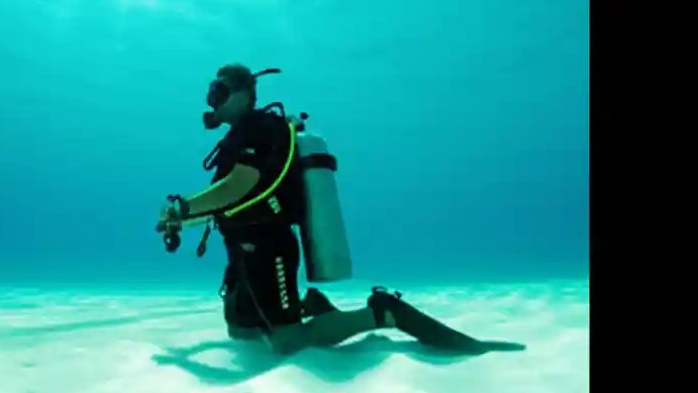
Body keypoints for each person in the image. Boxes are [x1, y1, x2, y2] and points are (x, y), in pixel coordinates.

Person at [156, 64, 523, 356]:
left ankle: (382, 313)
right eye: (210, 92)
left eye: (218, 92)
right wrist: (182, 219)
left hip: (268, 248)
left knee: (288, 344)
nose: (212, 100)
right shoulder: (235, 138)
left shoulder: (260, 128)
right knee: (241, 332)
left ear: (243, 93)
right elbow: (229, 202)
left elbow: (241, 185)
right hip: (240, 249)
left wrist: (183, 206)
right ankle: (309, 305)